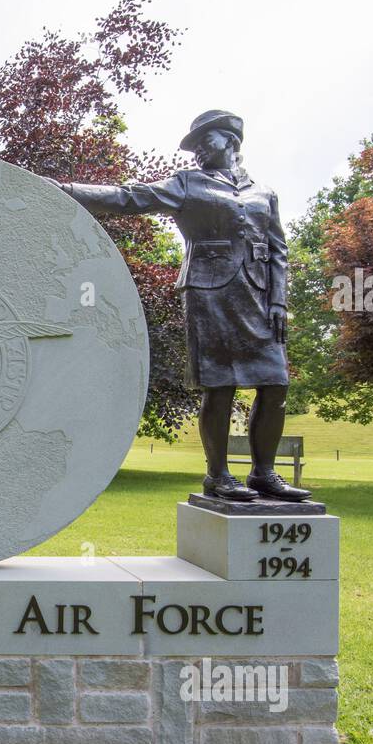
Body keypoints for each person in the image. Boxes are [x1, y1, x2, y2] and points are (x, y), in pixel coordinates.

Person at [48, 110, 311, 503]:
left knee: (275, 385)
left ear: (231, 142)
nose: (199, 151)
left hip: (258, 297)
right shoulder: (187, 184)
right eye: (196, 146)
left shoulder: (264, 193)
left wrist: (278, 301)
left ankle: (263, 473)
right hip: (209, 293)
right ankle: (218, 475)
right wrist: (64, 189)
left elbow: (278, 251)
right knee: (220, 386)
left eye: (207, 142)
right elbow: (129, 197)